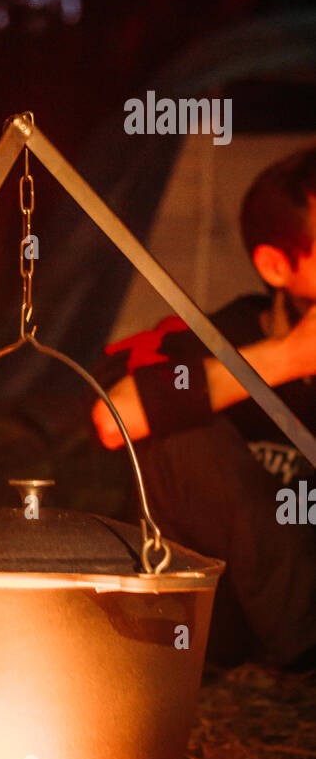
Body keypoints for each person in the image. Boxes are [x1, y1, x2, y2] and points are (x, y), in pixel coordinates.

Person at [90, 145, 316, 668]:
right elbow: (115, 416)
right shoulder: (208, 338)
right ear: (276, 265)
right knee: (177, 434)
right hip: (222, 613)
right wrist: (288, 357)